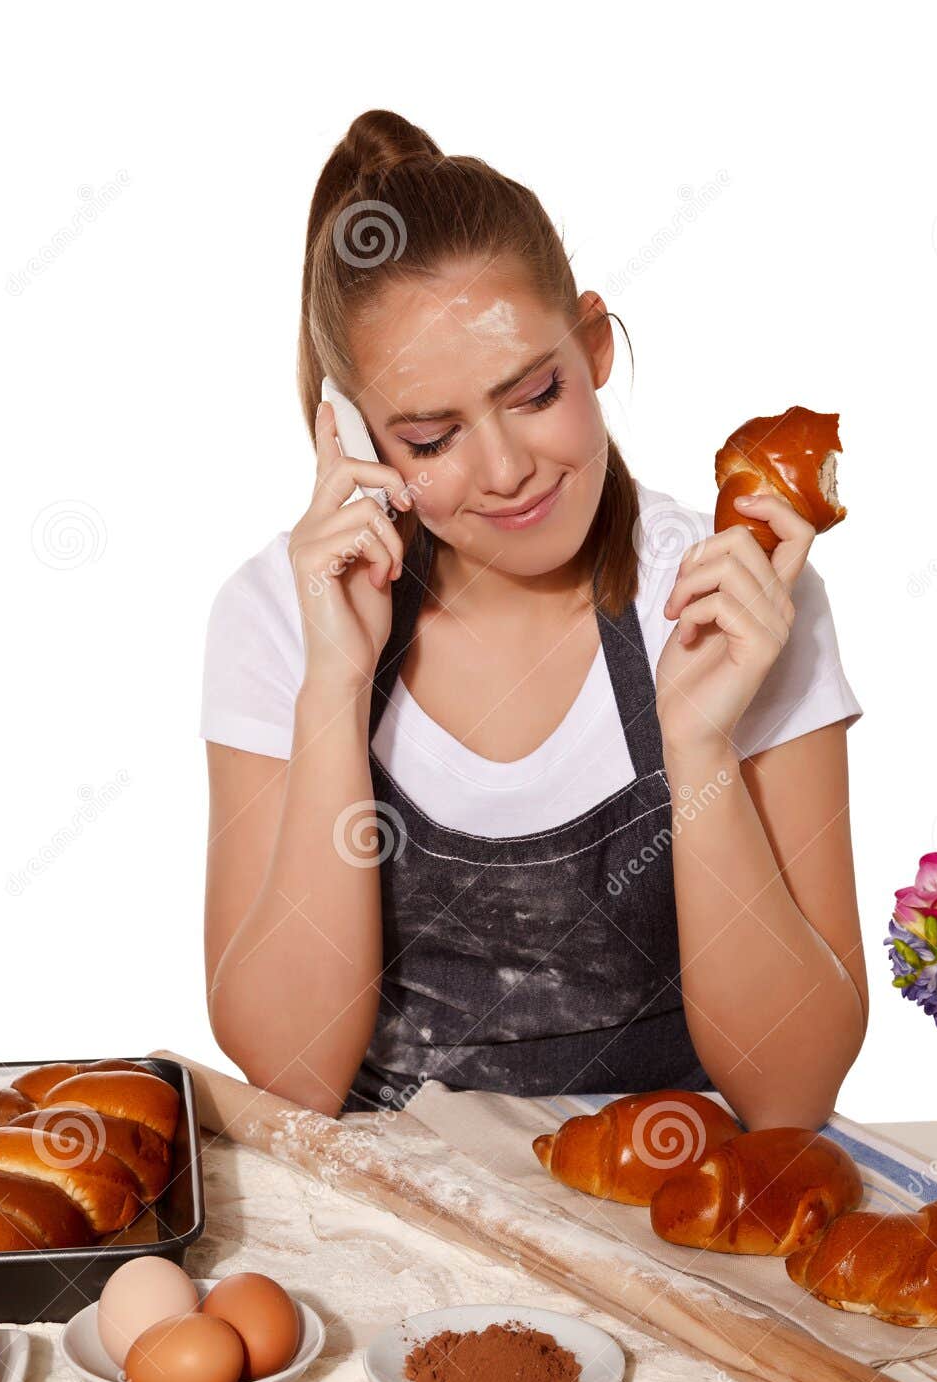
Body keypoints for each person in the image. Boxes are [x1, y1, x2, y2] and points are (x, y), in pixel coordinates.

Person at [200, 109, 867, 1129]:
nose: (506, 470)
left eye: (533, 393)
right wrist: (333, 688)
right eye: (432, 438)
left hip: (673, 1202)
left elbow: (790, 1093)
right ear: (356, 443)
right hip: (389, 1210)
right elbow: (294, 1079)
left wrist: (699, 750)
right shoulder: (281, 617)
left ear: (592, 346)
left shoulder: (736, 595)